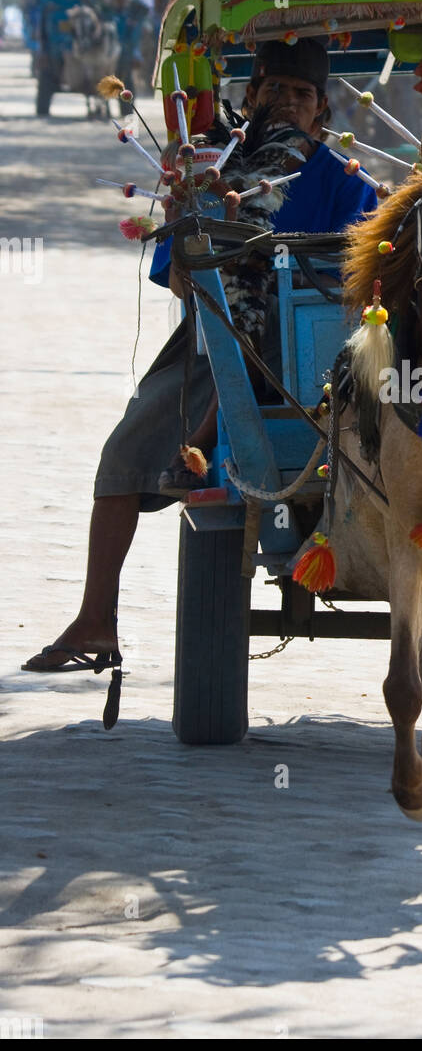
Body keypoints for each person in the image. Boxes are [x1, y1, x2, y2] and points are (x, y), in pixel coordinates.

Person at [23, 37, 375, 674]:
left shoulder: (349, 183)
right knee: (122, 455)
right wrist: (198, 222)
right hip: (214, 337)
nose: (288, 105)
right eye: (275, 92)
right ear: (252, 96)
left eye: (303, 96)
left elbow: (366, 279)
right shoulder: (211, 172)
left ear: (321, 109)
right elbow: (178, 275)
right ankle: (95, 619)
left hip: (324, 350)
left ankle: (209, 432)